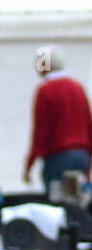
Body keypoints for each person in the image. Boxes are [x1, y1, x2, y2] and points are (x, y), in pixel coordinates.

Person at [25, 46, 92, 192]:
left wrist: (29, 164)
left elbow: (41, 130)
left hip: (58, 155)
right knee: (78, 199)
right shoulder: (77, 87)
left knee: (56, 200)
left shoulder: (46, 90)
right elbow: (88, 124)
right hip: (82, 154)